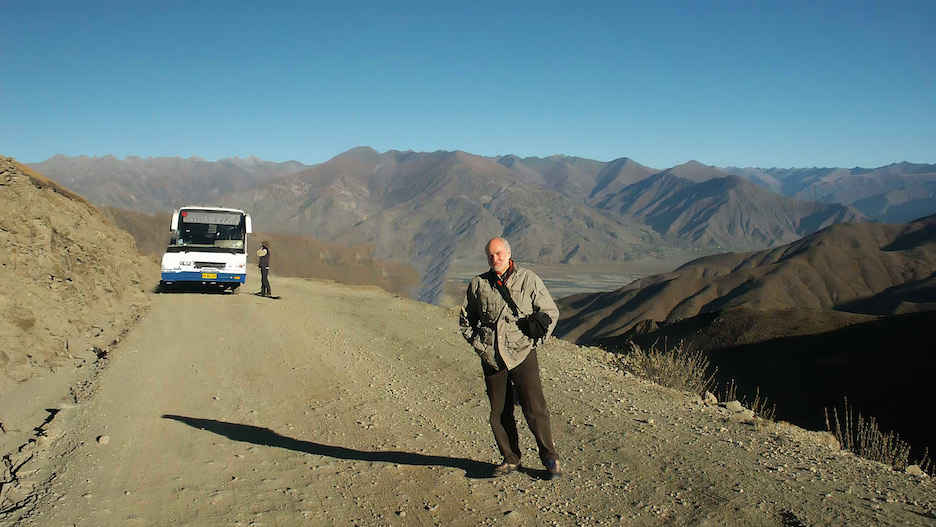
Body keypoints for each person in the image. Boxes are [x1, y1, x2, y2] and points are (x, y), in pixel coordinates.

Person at [459, 237, 562, 479]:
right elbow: (466, 320)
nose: (495, 259)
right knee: (499, 411)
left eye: (498, 254)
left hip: (522, 353)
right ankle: (510, 457)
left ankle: (550, 457)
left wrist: (535, 342)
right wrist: (480, 345)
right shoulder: (478, 284)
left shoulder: (528, 279)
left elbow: (550, 312)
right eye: (490, 255)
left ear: (508, 253)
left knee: (535, 408)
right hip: (492, 357)